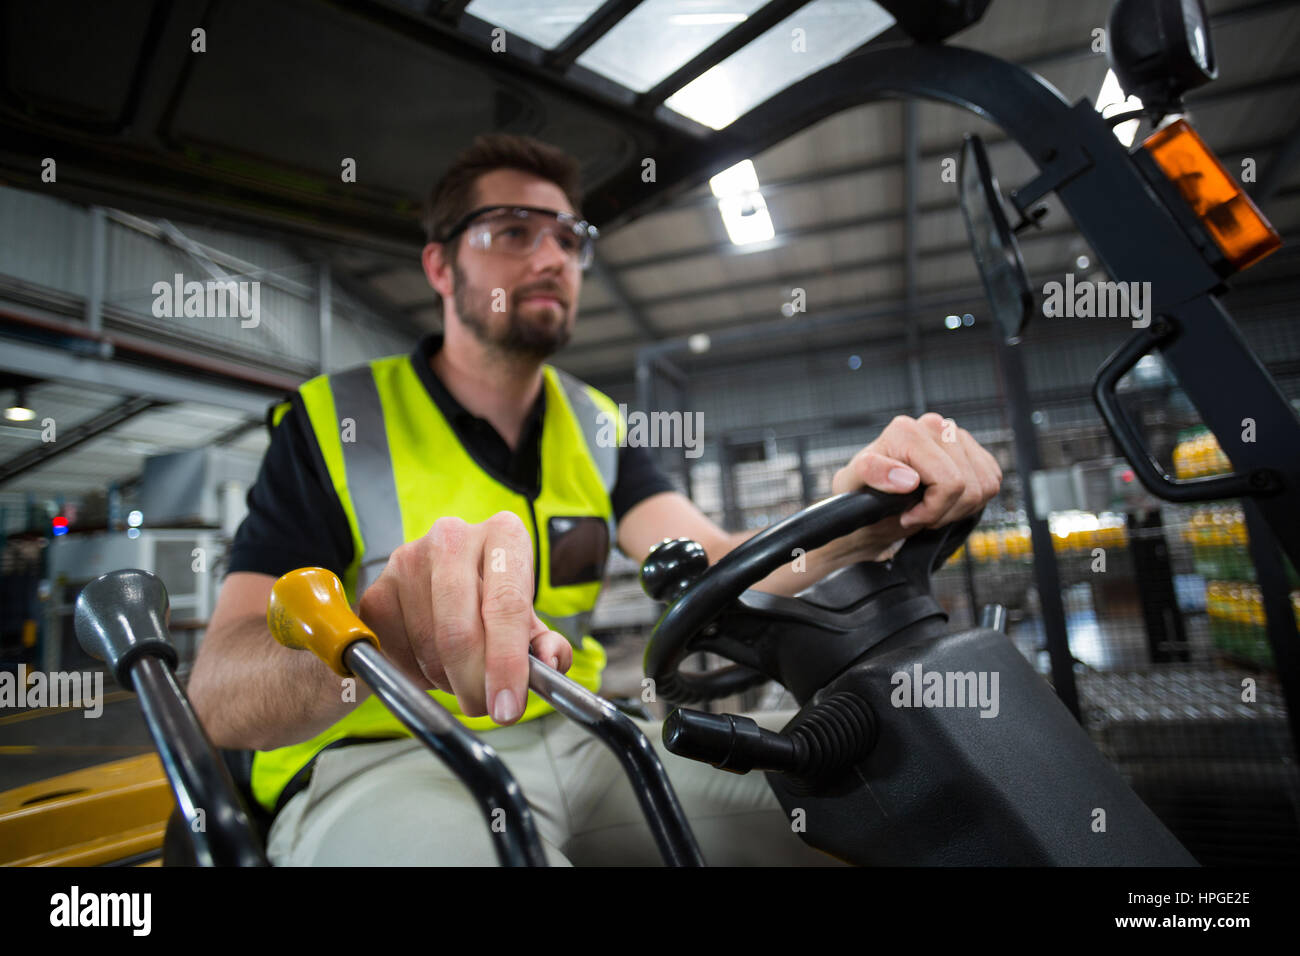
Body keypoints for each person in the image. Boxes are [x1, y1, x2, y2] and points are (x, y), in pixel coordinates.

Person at [187, 133, 1002, 866]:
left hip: (582, 731)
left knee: (873, 815)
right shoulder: (336, 422)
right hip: (381, 758)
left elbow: (718, 566)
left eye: (569, 238)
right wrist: (378, 647)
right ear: (440, 266)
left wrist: (859, 518)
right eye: (513, 232)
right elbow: (219, 698)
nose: (553, 258)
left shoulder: (596, 423)